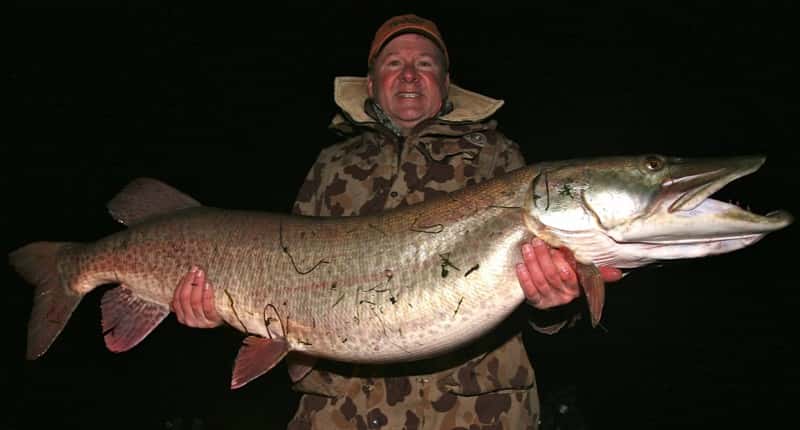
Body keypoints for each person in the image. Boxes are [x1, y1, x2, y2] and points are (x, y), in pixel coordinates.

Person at [170, 14, 621, 429]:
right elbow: (284, 281)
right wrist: (223, 306)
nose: (408, 74)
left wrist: (554, 307)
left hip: (471, 415)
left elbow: (541, 307)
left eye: (424, 63)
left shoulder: (496, 159)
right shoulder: (332, 165)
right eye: (394, 63)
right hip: (340, 415)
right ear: (371, 84)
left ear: (445, 82)